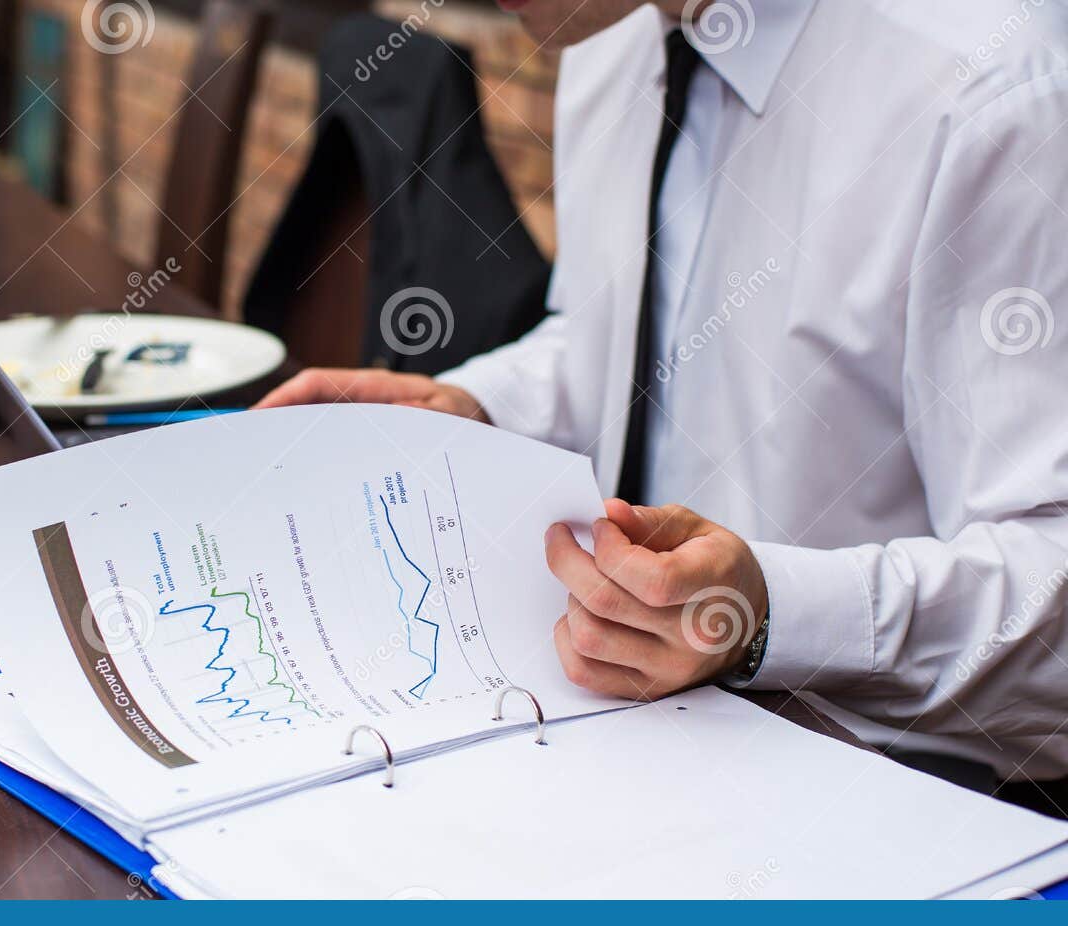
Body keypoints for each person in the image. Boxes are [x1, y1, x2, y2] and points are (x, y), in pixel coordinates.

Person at [257, 0, 1068, 797]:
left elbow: (1051, 577)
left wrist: (765, 619)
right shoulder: (610, 41)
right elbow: (612, 341)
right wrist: (477, 408)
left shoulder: (994, 89)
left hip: (905, 796)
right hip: (616, 739)